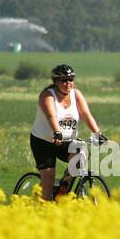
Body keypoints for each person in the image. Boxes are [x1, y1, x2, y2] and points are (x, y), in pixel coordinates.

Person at [29, 63, 106, 200]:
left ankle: (64, 188)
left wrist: (97, 133)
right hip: (44, 142)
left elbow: (86, 115)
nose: (68, 83)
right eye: (64, 80)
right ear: (56, 82)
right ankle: (44, 209)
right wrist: (57, 131)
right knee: (48, 178)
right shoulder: (47, 96)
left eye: (71, 80)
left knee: (80, 155)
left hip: (66, 141)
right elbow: (51, 116)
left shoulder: (76, 95)